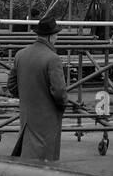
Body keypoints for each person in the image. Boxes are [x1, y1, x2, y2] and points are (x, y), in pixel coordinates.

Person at [6, 16, 67, 161]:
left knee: (28, 153)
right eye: (57, 35)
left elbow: (11, 85)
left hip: (27, 114)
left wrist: (27, 97)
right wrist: (62, 105)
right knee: (45, 158)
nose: (57, 38)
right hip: (47, 117)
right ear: (51, 37)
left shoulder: (20, 54)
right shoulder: (53, 59)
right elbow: (59, 92)